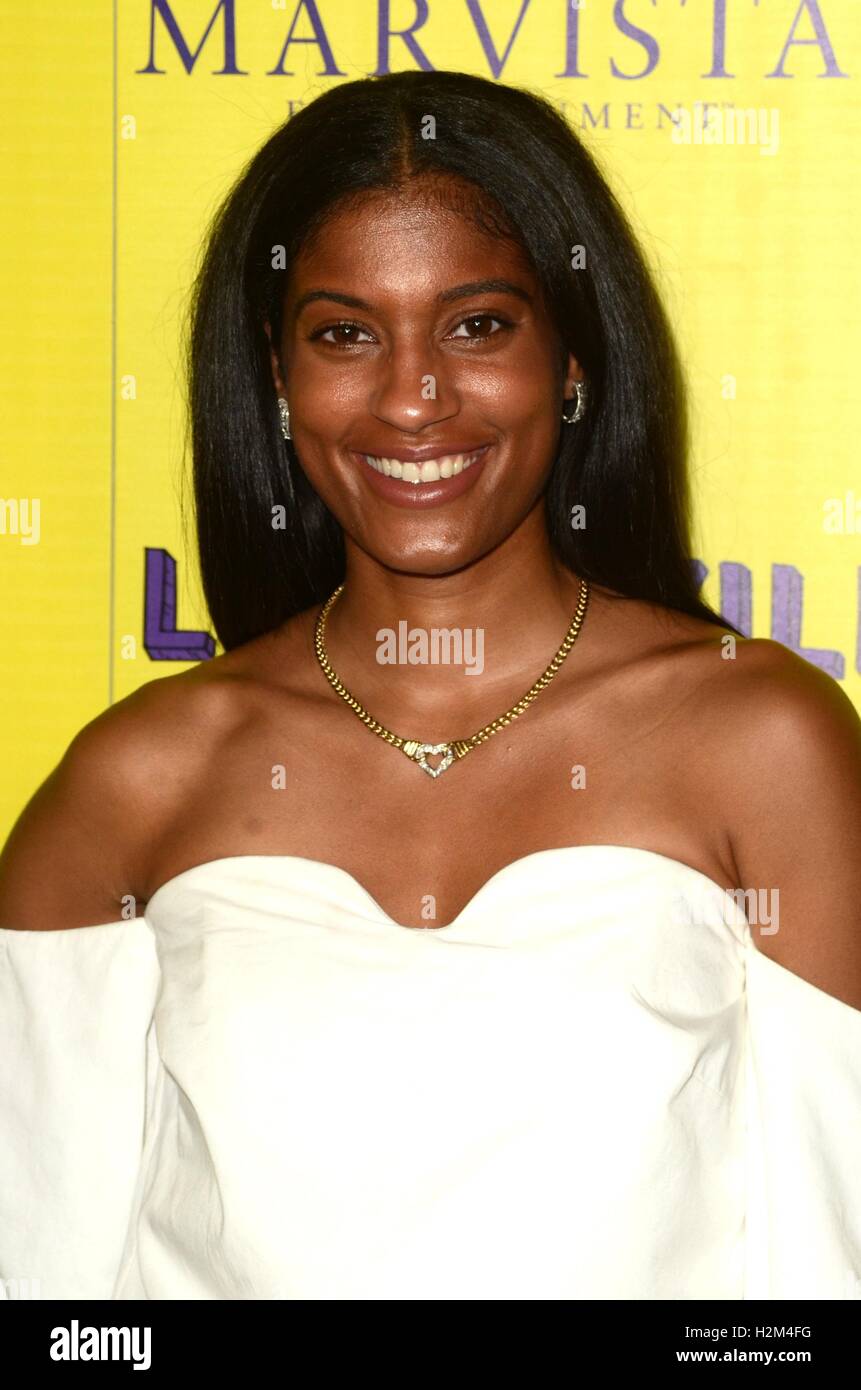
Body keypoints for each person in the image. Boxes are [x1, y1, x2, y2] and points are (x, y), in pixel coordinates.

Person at [1, 70, 859, 1301]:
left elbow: (830, 1267)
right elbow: (44, 1291)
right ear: (277, 372)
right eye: (345, 332)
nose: (413, 398)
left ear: (571, 355)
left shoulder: (761, 741)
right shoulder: (135, 782)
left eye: (478, 324)